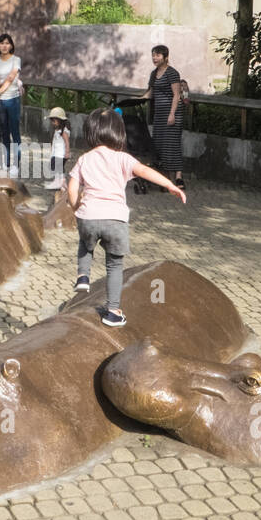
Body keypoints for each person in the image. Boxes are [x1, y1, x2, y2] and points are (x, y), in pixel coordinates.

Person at [68, 109, 184, 327]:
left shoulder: (84, 159)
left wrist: (77, 208)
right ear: (119, 133)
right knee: (114, 266)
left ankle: (83, 277)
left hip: (89, 216)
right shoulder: (123, 158)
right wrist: (169, 184)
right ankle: (113, 312)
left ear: (90, 132)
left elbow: (72, 189)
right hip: (116, 219)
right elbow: (144, 170)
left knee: (85, 242)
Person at [139, 45, 186, 190]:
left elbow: (176, 95)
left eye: (158, 55)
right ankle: (164, 176)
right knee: (159, 143)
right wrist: (134, 100)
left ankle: (178, 177)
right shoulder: (154, 74)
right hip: (159, 114)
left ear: (166, 57)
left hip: (173, 113)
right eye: (153, 55)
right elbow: (150, 93)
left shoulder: (172, 73)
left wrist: (172, 114)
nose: (155, 58)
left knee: (172, 143)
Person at [0, 33, 23, 175]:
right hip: (0, 103)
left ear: (12, 45)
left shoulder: (16, 60)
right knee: (4, 133)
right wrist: (0, 86)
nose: (4, 46)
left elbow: (11, 77)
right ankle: (6, 164)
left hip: (13, 100)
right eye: (1, 43)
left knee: (15, 133)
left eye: (7, 43)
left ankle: (16, 164)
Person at [45, 107, 71, 190]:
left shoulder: (63, 132)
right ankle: (62, 182)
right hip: (56, 153)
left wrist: (67, 152)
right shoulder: (58, 130)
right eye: (52, 121)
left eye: (54, 120)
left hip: (61, 154)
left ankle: (57, 181)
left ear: (60, 120)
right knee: (59, 168)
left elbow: (67, 142)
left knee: (56, 167)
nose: (53, 123)